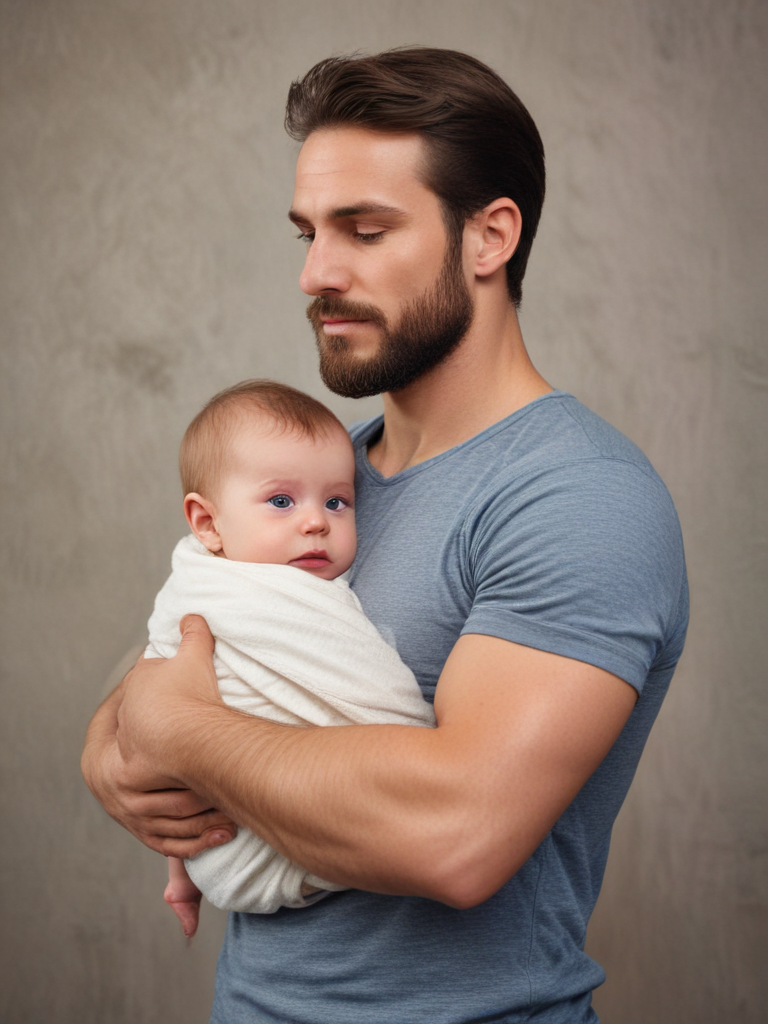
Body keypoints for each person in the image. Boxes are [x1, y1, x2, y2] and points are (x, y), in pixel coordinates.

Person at [82, 47, 688, 1023]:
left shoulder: (579, 497)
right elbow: (166, 659)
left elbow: (454, 835)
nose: (317, 273)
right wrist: (109, 746)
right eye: (308, 233)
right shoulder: (320, 484)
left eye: (364, 230)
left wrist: (177, 731)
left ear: (489, 236)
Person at [150, 378, 433, 937]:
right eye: (281, 502)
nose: (315, 521)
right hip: (238, 847)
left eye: (337, 502)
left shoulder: (302, 586)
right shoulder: (214, 592)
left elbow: (168, 721)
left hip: (311, 832)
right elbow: (163, 689)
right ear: (207, 524)